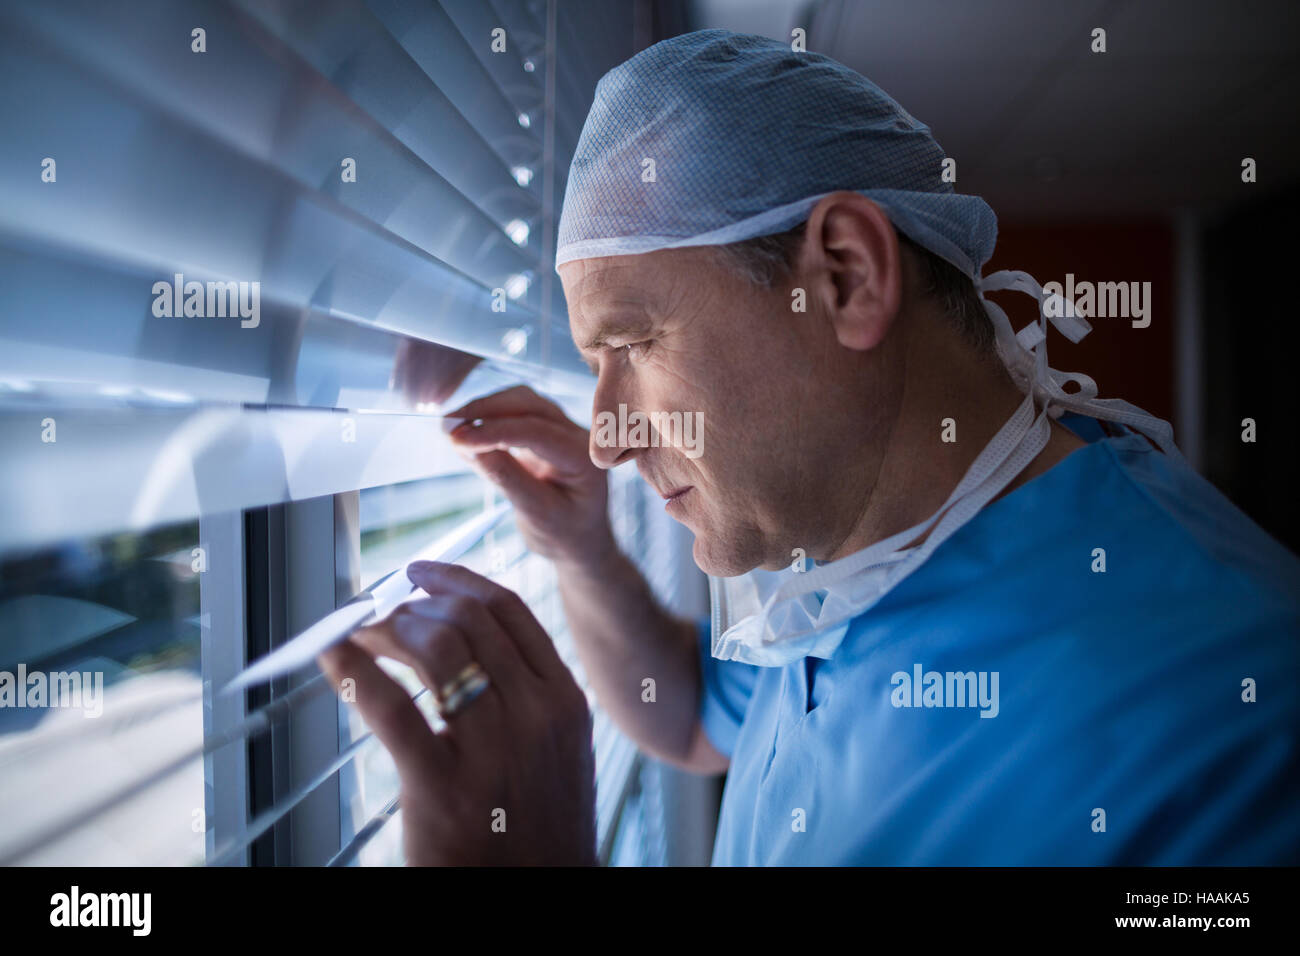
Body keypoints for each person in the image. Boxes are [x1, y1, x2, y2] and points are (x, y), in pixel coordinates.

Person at [319, 30, 1300, 865]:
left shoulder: (1228, 737)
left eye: (632, 343)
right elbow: (694, 710)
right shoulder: (866, 565)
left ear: (843, 274)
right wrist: (579, 546)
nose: (608, 439)